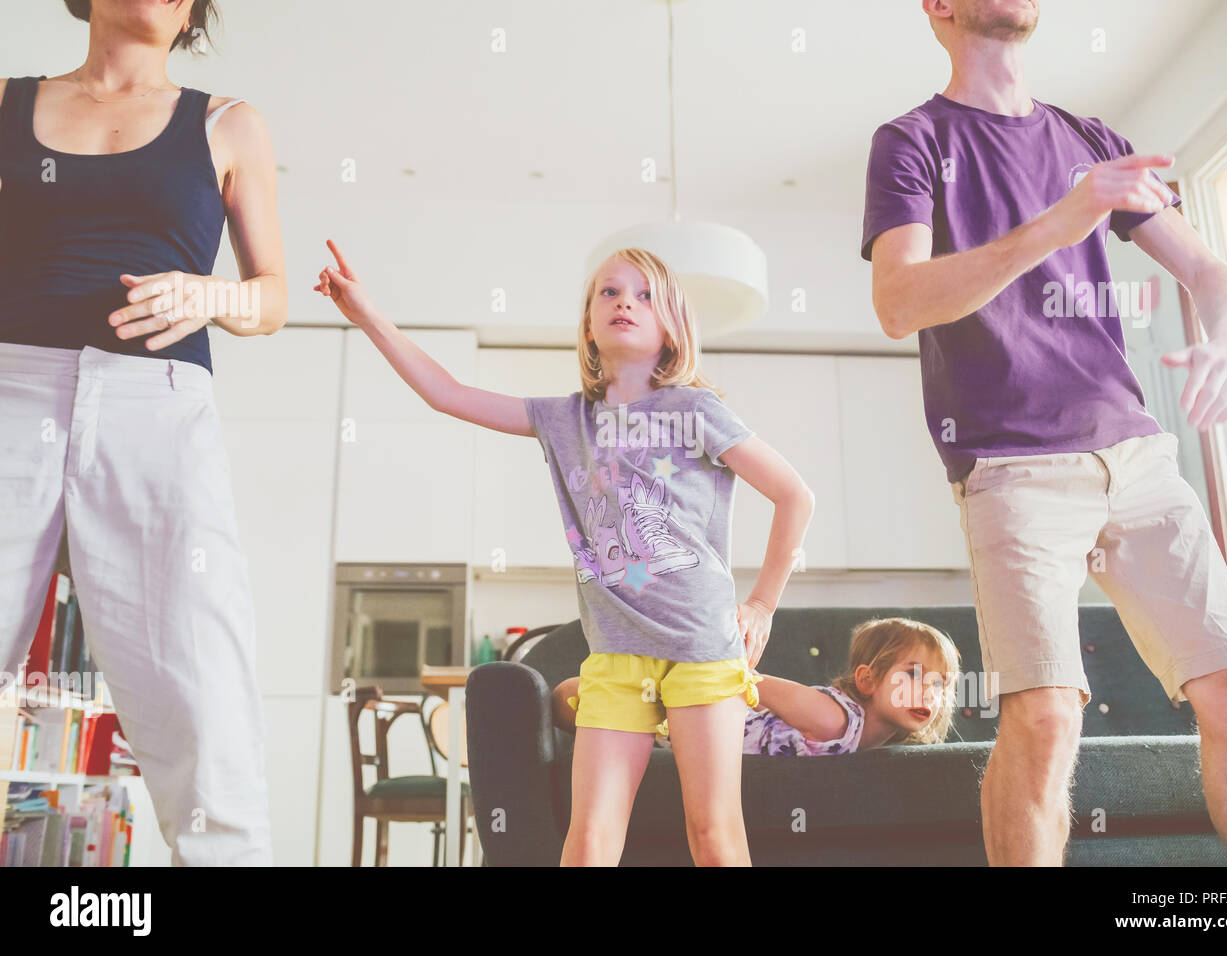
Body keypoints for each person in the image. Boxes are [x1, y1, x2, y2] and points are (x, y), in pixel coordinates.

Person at [862, 0, 1227, 865]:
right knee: (1047, 711)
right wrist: (1063, 219)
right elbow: (899, 301)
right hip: (1012, 469)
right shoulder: (910, 140)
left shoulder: (1091, 140)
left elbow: (1211, 274)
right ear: (938, 7)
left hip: (1136, 453)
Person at [314, 241, 816, 866]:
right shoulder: (562, 421)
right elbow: (445, 392)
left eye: (644, 295)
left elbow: (795, 495)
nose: (624, 302)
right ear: (588, 325)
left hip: (703, 648)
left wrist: (764, 602)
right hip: (615, 656)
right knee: (588, 844)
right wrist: (367, 316)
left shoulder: (697, 410)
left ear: (672, 329)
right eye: (609, 292)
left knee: (714, 836)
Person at [0, 0, 287, 865]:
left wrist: (212, 295)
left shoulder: (228, 125)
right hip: (9, 390)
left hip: (157, 405)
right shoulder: (7, 101)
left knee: (196, 678)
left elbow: (271, 296)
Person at [552, 617, 961, 754]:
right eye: (913, 673)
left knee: (592, 710)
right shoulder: (835, 718)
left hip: (692, 737)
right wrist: (676, 680)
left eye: (940, 683)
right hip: (696, 711)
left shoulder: (875, 741)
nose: (928, 690)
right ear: (867, 679)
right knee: (567, 695)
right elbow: (747, 681)